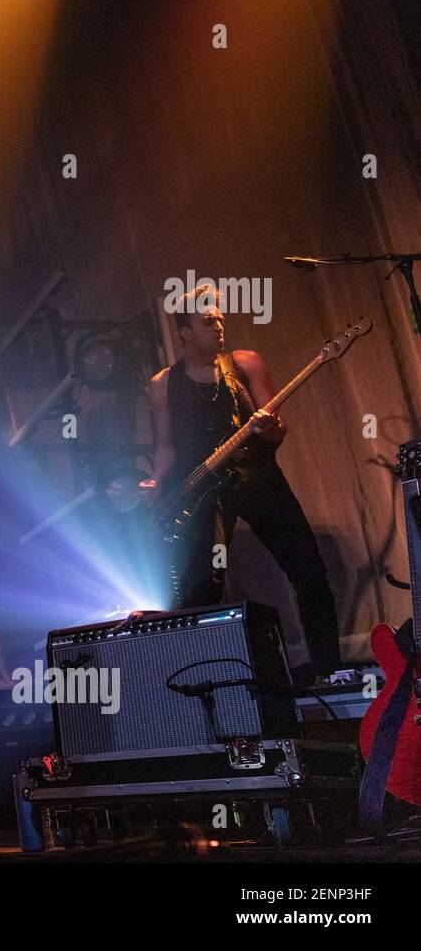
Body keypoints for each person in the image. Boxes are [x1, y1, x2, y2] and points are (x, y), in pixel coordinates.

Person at [140, 285, 341, 685]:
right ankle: (202, 679)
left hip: (256, 475)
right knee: (201, 587)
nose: (218, 327)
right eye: (207, 321)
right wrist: (156, 480)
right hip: (204, 489)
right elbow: (166, 447)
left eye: (220, 320)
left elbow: (277, 429)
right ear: (184, 332)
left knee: (307, 567)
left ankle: (329, 669)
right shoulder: (163, 383)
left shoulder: (245, 363)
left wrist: (271, 428)